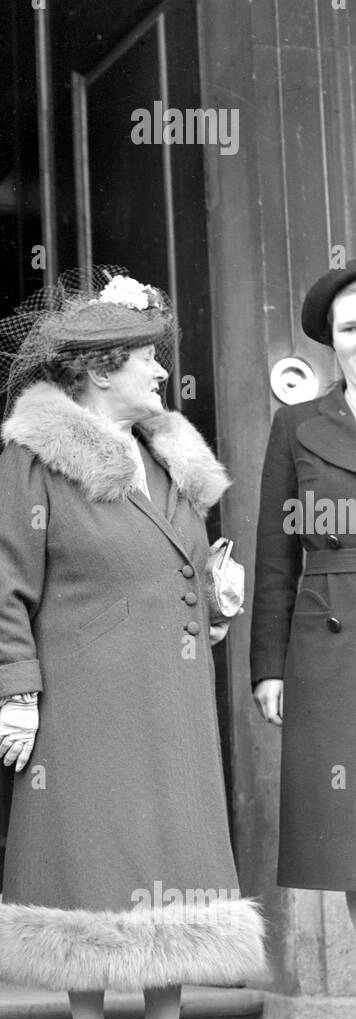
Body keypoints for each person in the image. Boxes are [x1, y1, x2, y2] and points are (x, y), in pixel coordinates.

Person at [0, 267, 266, 1019]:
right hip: (84, 701)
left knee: (173, 862)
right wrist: (16, 694)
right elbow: (1, 590)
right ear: (101, 371)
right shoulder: (35, 463)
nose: (164, 375)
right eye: (148, 361)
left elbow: (180, 573)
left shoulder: (173, 457)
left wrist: (219, 600)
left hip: (171, 701)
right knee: (88, 868)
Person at [251, 260, 356, 925]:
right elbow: (274, 556)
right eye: (352, 326)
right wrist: (269, 668)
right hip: (331, 653)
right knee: (351, 845)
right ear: (334, 341)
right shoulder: (297, 426)